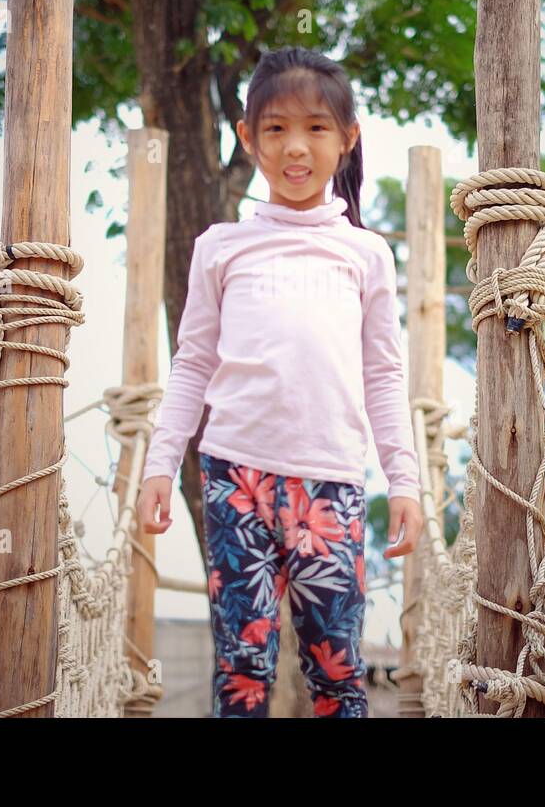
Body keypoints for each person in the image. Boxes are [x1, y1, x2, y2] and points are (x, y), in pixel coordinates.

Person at [137, 46, 425, 718]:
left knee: (338, 671)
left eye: (316, 128)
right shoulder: (220, 247)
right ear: (248, 137)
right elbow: (192, 364)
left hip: (331, 484)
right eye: (276, 128)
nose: (296, 147)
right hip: (233, 477)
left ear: (347, 138)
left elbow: (383, 375)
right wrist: (158, 464)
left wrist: (405, 480)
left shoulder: (366, 254)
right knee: (243, 669)